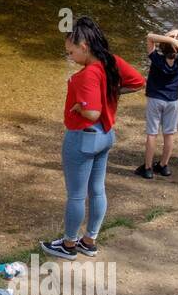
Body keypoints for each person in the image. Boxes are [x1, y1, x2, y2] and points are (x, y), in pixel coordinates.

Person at [41, 17, 145, 260]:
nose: (70, 57)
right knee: (97, 190)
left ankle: (68, 245)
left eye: (71, 52)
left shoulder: (85, 76)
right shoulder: (111, 62)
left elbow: (93, 113)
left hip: (83, 139)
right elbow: (139, 82)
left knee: (76, 195)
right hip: (106, 135)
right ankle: (90, 240)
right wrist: (113, 91)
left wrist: (80, 108)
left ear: (84, 47)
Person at [136, 29, 178, 179]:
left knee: (152, 134)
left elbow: (149, 37)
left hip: (155, 99)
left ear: (162, 47)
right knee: (169, 134)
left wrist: (170, 38)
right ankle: (163, 165)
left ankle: (148, 168)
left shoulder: (156, 59)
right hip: (172, 101)